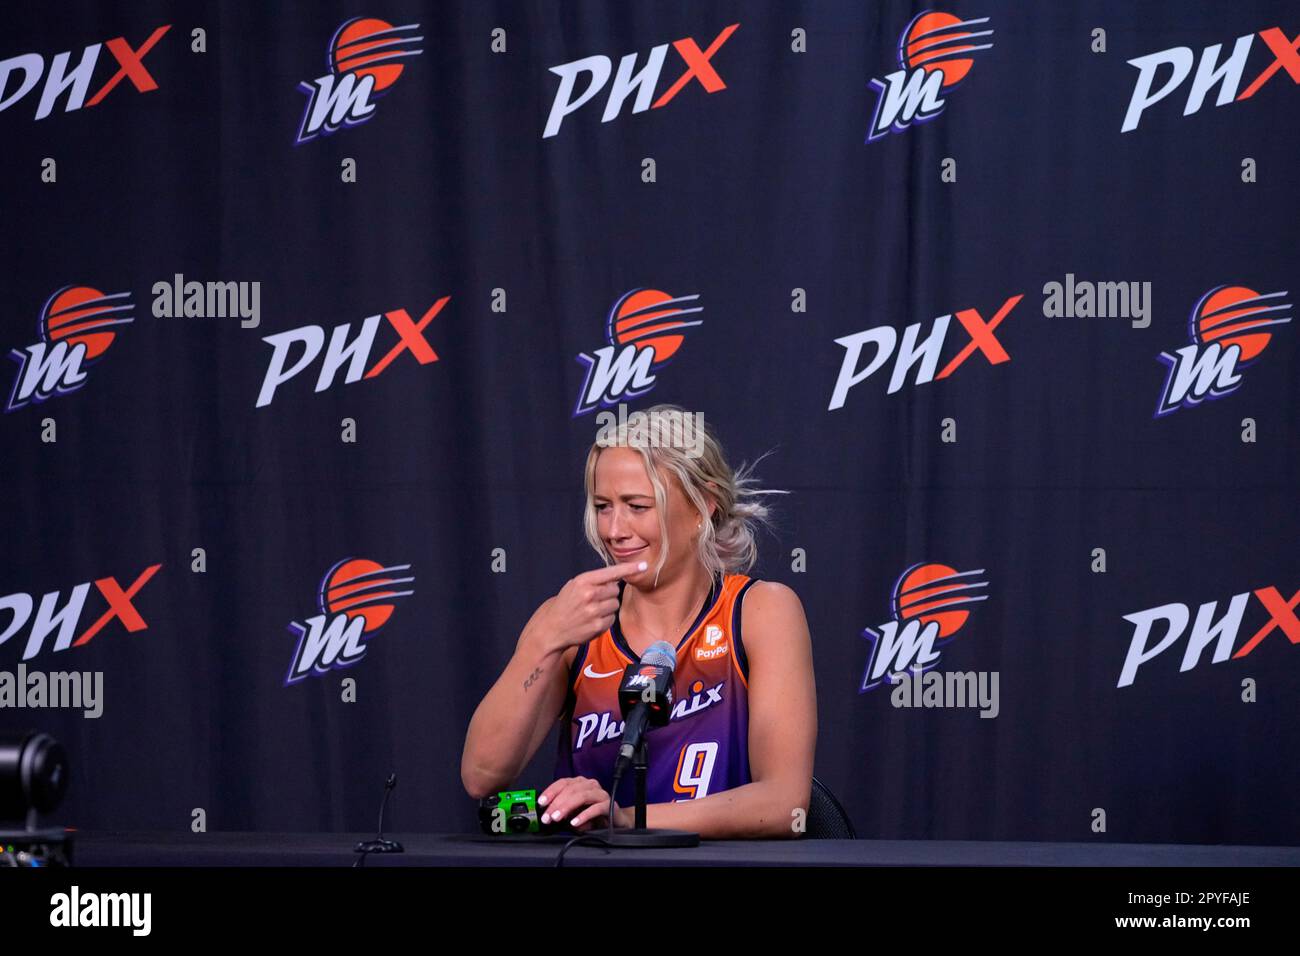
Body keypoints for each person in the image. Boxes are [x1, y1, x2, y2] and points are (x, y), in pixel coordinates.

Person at [461, 405, 816, 839]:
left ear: (704, 505)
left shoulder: (760, 611)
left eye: (637, 505)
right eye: (602, 506)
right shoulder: (573, 623)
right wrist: (543, 641)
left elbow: (784, 805)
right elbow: (482, 776)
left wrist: (629, 819)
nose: (614, 530)